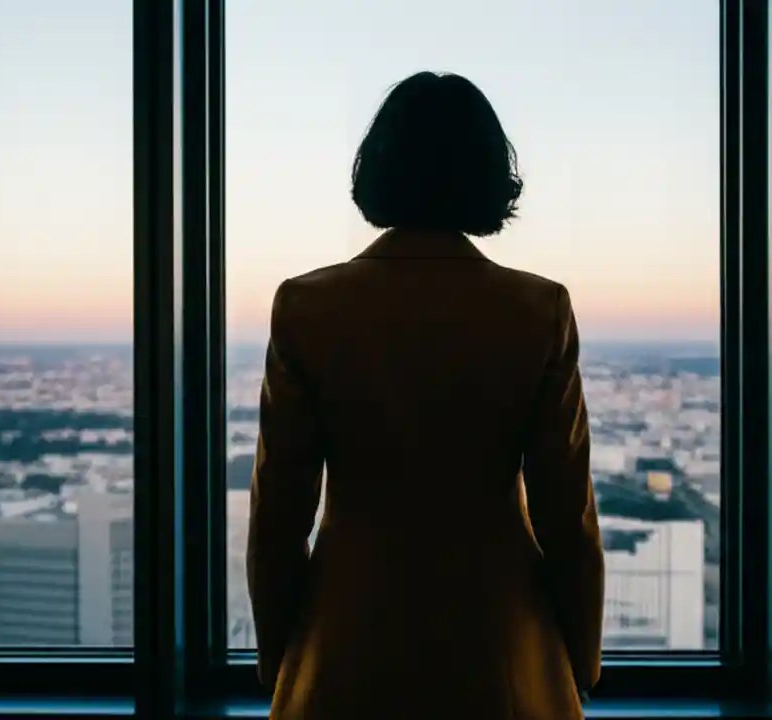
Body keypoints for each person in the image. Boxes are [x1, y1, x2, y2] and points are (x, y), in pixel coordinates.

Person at [247, 71, 604, 720]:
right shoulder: (537, 309)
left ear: (376, 170)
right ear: (489, 174)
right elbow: (565, 515)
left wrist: (281, 662)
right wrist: (580, 658)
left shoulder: (306, 307)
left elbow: (279, 518)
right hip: (504, 648)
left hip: (344, 644)